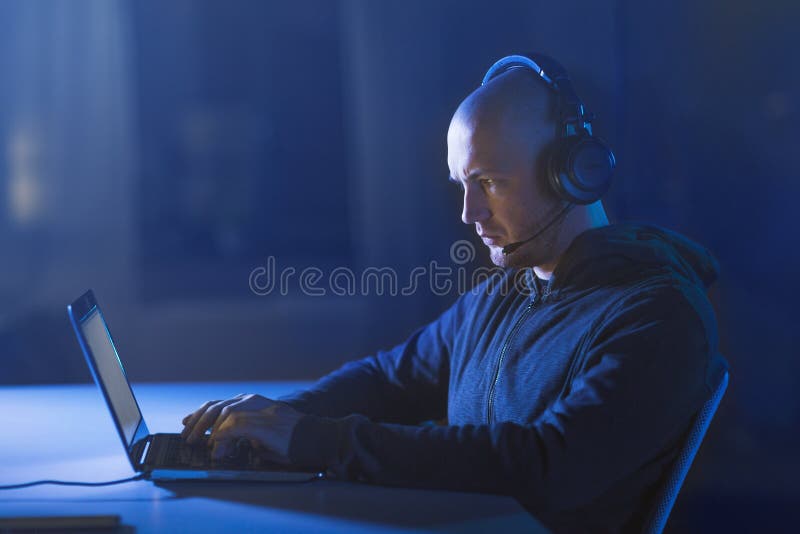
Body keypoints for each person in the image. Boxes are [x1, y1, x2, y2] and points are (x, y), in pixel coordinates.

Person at [181, 54, 728, 533]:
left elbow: (547, 467)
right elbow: (389, 378)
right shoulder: (507, 292)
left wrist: (308, 440)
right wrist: (268, 424)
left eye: (490, 182)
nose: (470, 214)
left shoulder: (656, 316)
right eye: (462, 185)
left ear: (573, 174)